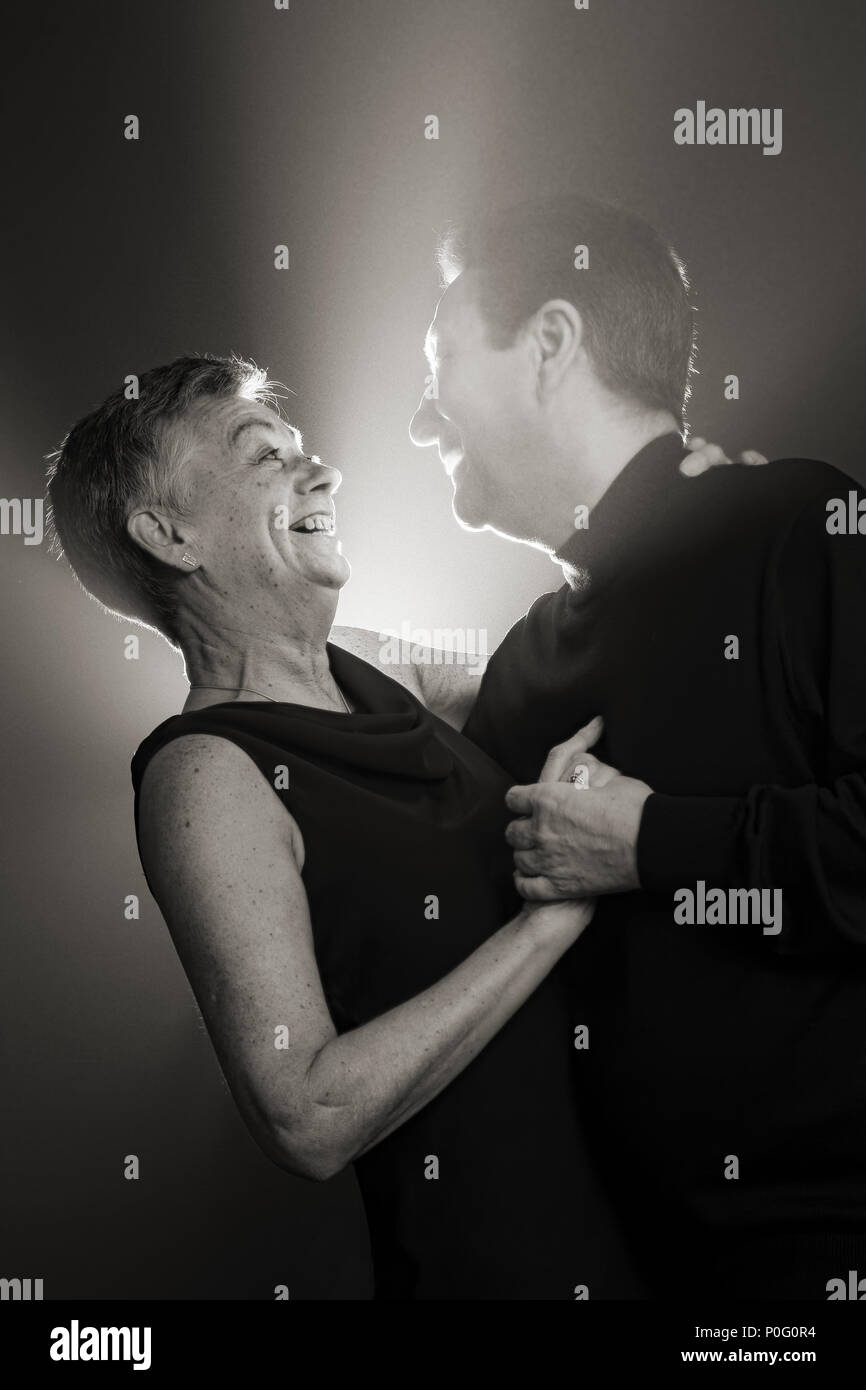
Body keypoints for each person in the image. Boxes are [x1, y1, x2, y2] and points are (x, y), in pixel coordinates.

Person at [408, 192, 866, 1299]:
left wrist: (650, 842)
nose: (423, 420)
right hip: (634, 1266)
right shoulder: (527, 658)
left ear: (552, 344)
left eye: (443, 359)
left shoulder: (805, 530)